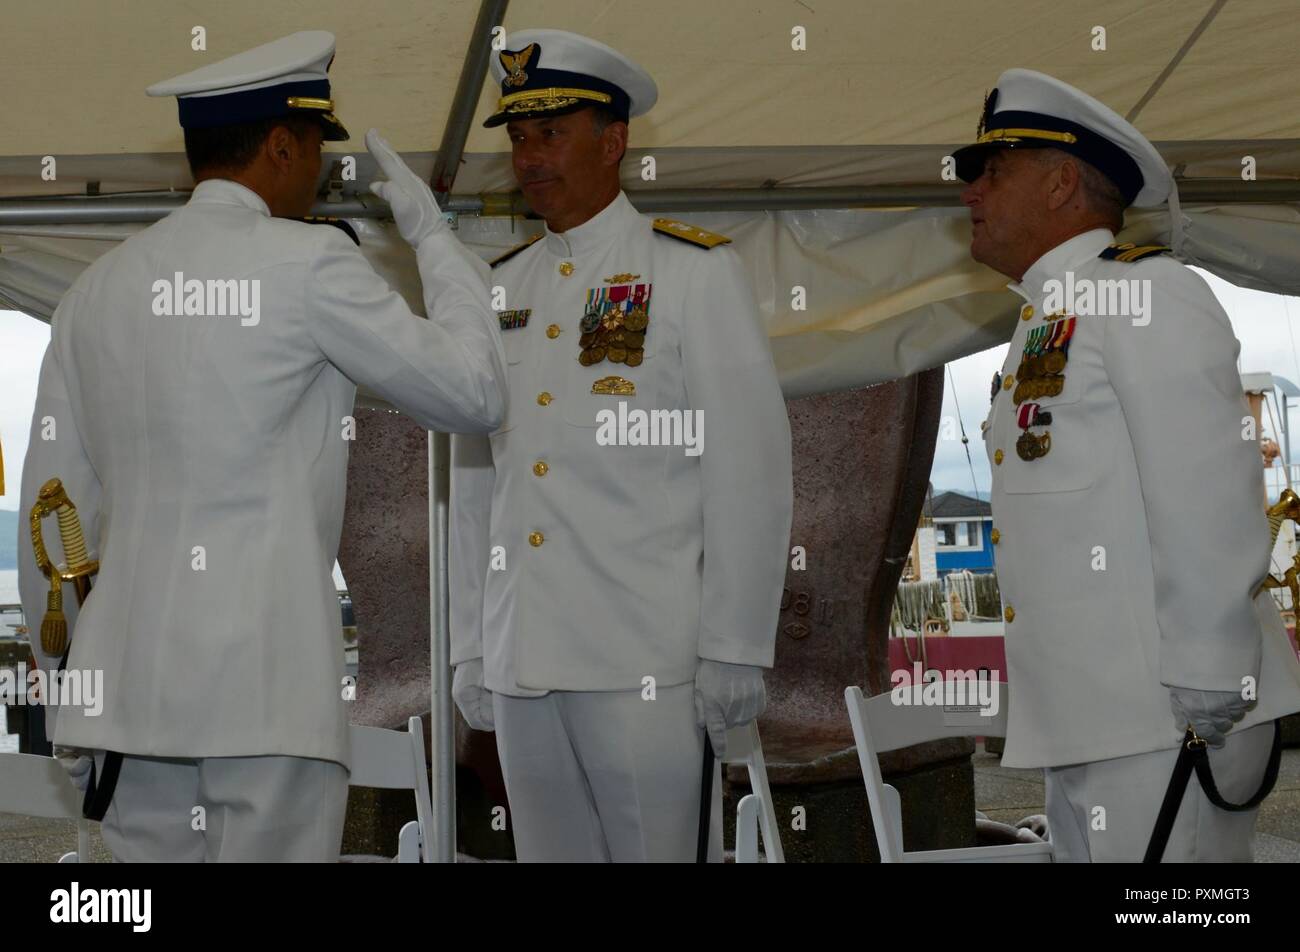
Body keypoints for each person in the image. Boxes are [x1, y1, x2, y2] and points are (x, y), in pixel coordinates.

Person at [17, 30, 507, 862]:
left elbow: (52, 509)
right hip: (266, 690)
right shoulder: (310, 263)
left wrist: (67, 673)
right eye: (315, 149)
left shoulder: (95, 291)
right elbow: (475, 393)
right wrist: (436, 242)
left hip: (130, 699)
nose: (318, 172)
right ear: (280, 144)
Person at [449, 29, 792, 862]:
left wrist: (735, 644)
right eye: (520, 138)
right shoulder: (500, 290)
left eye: (552, 134)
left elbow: (749, 469)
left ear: (613, 141)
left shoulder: (692, 274)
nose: (530, 157)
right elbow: (474, 485)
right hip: (522, 657)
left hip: (646, 662)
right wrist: (469, 642)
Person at [954, 68, 1300, 861]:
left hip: (1170, 709)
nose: (970, 193)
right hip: (1097, 717)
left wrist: (1212, 667)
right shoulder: (1049, 316)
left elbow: (1207, 488)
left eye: (992, 172)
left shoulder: (1146, 294)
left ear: (1062, 184)